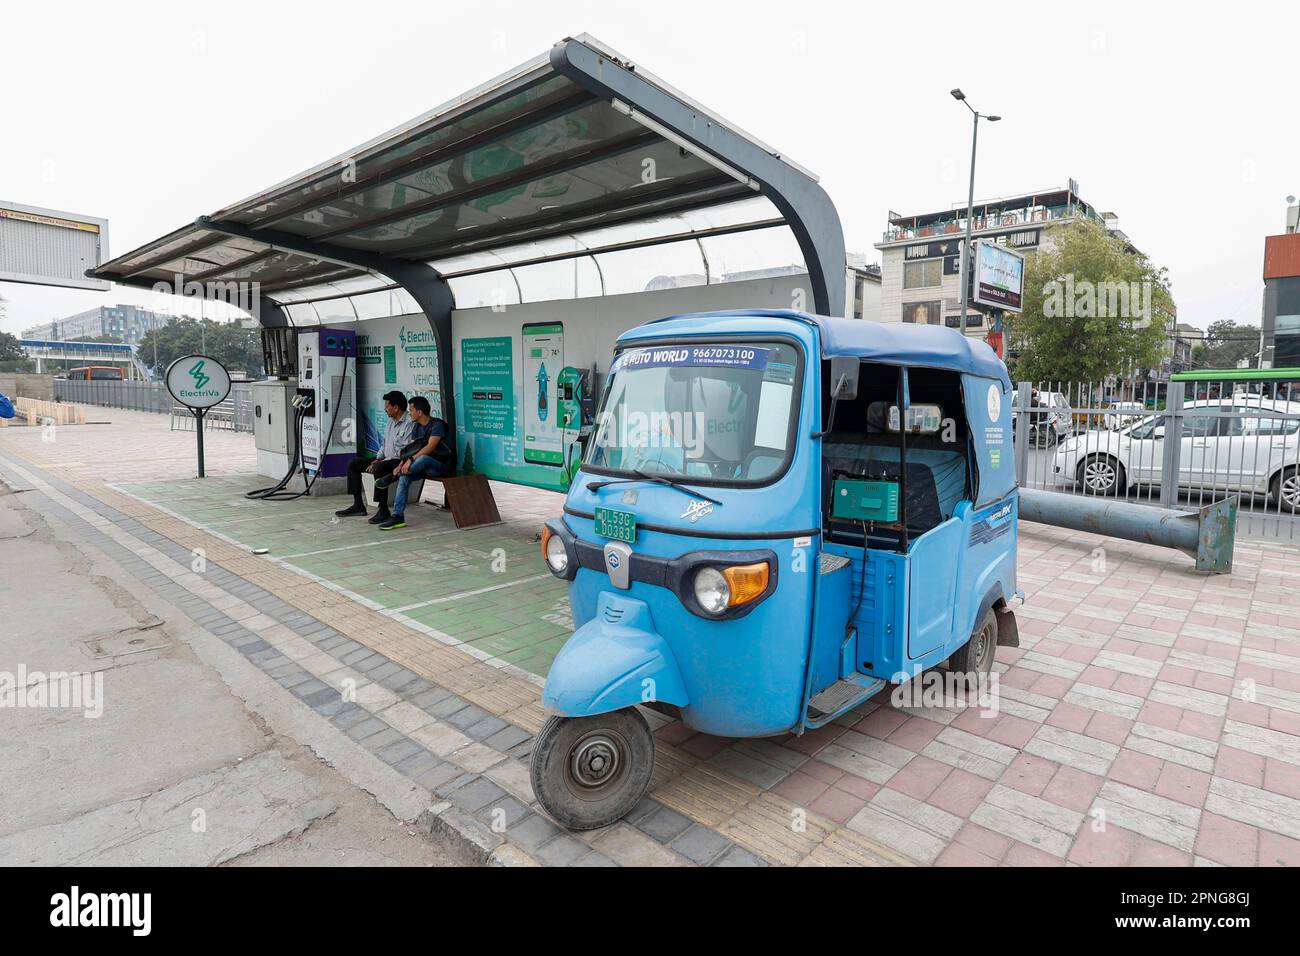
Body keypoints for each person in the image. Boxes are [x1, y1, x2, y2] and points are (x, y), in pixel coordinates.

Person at [335, 390, 414, 524]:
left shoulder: (409, 423)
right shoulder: (390, 421)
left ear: (396, 408)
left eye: (387, 405)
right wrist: (378, 458)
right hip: (386, 458)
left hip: (399, 460)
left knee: (379, 468)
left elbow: (406, 450)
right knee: (353, 464)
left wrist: (379, 463)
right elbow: (384, 443)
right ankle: (358, 505)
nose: (385, 408)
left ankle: (383, 510)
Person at [375, 395, 453, 531]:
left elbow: (430, 447)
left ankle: (393, 477)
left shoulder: (437, 425)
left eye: (411, 410)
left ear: (419, 412)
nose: (409, 413)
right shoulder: (416, 427)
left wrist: (410, 461)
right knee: (405, 476)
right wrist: (401, 464)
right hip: (422, 467)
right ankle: (398, 516)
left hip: (441, 466)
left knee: (423, 459)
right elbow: (411, 450)